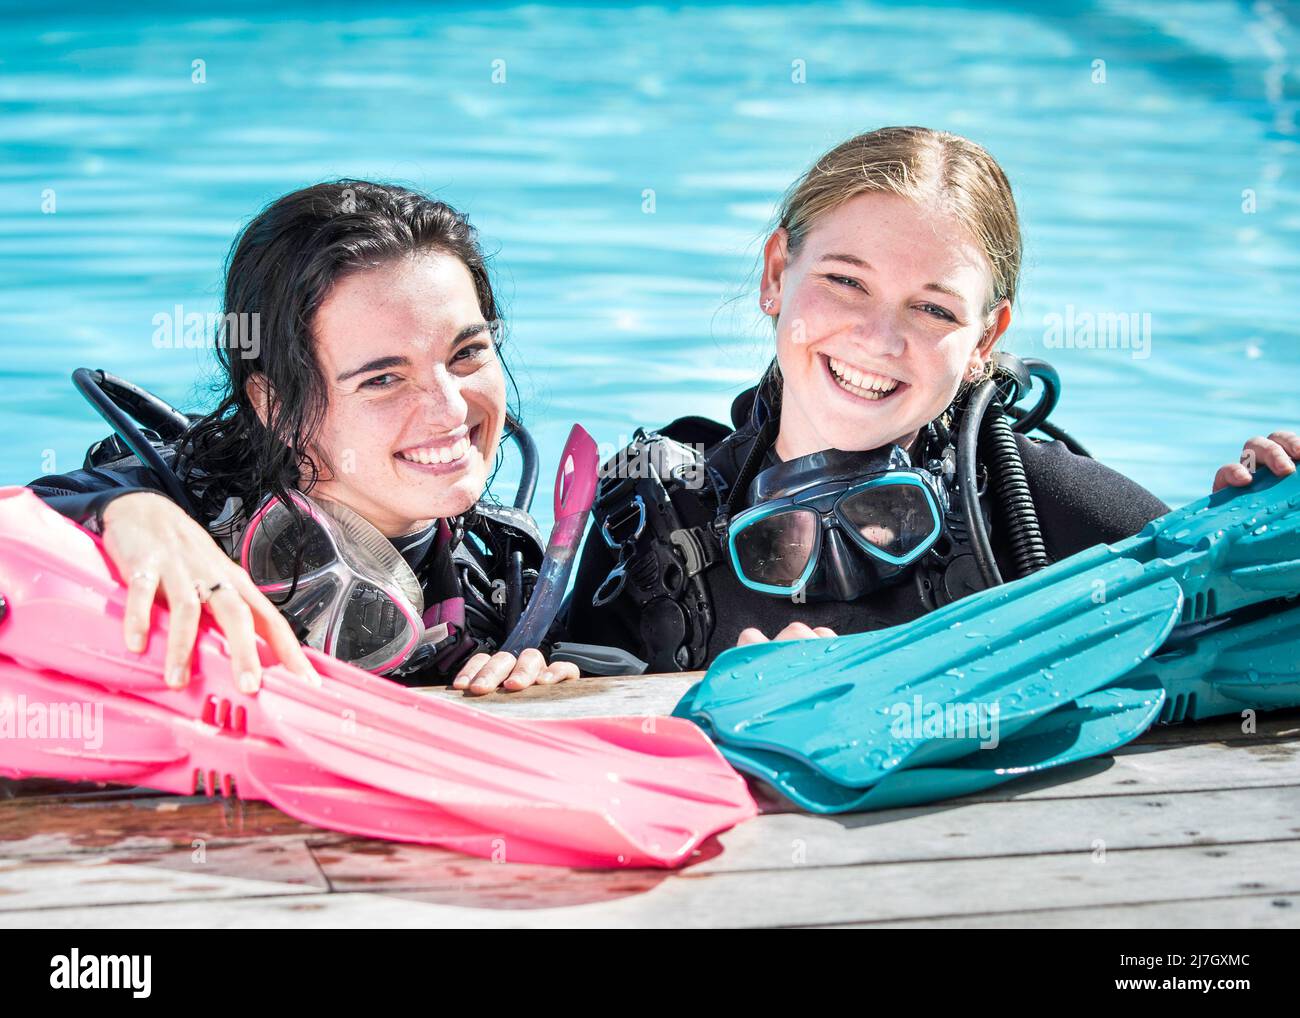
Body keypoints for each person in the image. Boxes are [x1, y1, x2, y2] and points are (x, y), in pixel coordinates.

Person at [565, 126, 1300, 672]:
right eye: (846, 281)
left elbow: (1244, 651)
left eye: (935, 311)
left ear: (986, 339)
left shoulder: (1036, 515)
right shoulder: (656, 513)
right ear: (775, 274)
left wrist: (1256, 546)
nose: (879, 340)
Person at [28, 181, 580, 696]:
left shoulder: (500, 572)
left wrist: (530, 686)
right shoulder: (182, 513)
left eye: (467, 353)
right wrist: (124, 511)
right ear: (279, 407)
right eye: (383, 378)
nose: (450, 409)